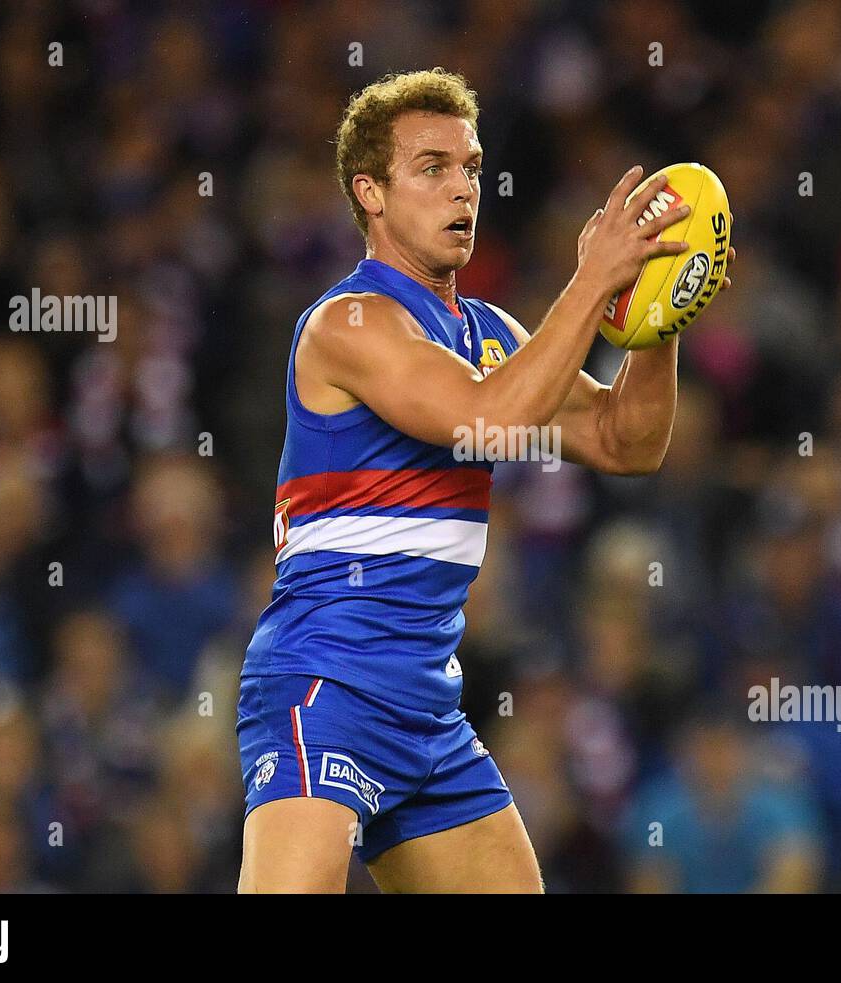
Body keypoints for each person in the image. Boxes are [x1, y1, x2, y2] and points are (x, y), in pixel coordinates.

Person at [236, 67, 733, 892]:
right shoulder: (347, 324)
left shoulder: (490, 332)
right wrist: (589, 283)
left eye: (469, 166)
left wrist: (654, 310)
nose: (462, 187)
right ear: (371, 193)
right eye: (431, 168)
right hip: (326, 683)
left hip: (426, 705)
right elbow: (489, 418)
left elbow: (626, 441)